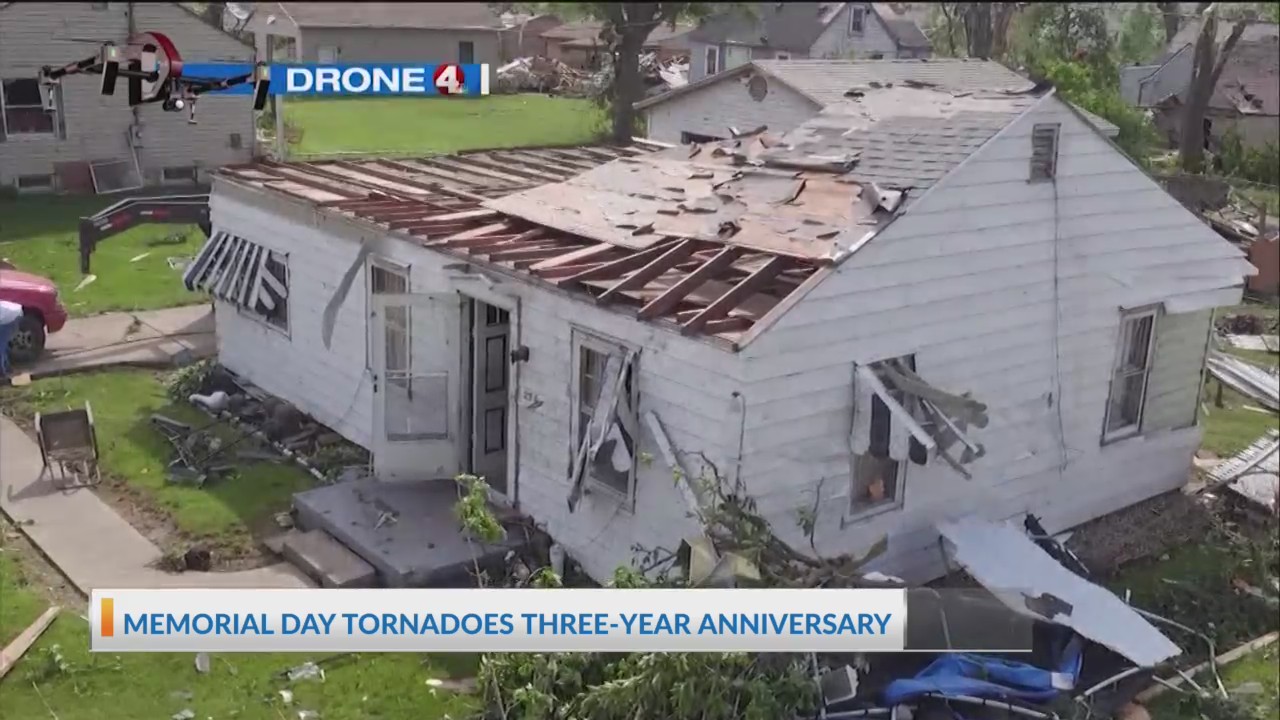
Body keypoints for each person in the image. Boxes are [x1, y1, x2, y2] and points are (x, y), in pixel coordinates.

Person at [0, 300, 23, 378]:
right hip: (16, 312)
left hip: (9, 317)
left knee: (1, 345)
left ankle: (2, 372)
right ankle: (7, 368)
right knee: (3, 344)